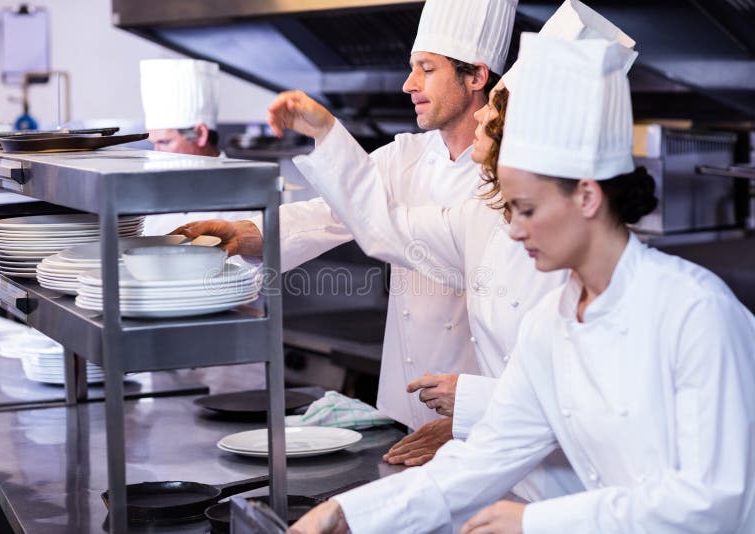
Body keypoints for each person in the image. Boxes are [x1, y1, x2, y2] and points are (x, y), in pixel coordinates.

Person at [288, 34, 755, 534]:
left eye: (526, 209)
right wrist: (347, 516)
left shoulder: (695, 312)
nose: (511, 229)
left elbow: (716, 502)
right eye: (508, 208)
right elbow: (481, 458)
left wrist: (535, 522)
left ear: (588, 196)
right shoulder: (549, 327)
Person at [266, 0, 635, 493]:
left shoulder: (644, 295)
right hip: (503, 473)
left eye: (497, 121)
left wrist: (473, 409)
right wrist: (324, 133)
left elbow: (600, 415)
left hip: (557, 491)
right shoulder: (483, 219)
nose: (483, 123)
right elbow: (381, 226)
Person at [172, 0, 518, 436]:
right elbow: (332, 214)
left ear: (476, 76)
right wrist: (244, 233)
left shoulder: (508, 178)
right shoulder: (406, 156)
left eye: (427, 69)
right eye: (412, 68)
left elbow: (385, 227)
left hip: (476, 419)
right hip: (402, 409)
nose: (409, 84)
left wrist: (327, 133)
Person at [139, 58, 252, 236]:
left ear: (200, 134)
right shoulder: (156, 186)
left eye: (165, 142)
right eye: (154, 144)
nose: (157, 154)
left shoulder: (245, 190)